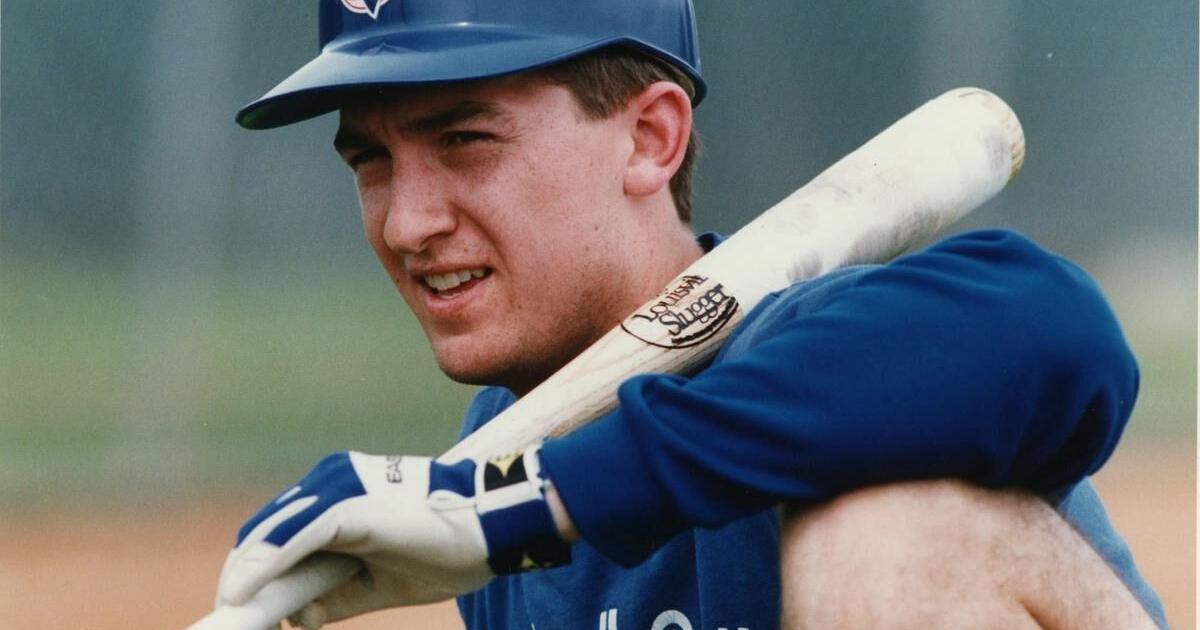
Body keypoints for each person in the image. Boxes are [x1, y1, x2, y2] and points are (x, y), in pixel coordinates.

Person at [216, 1, 1167, 628]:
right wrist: (512, 503)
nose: (408, 220)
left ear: (650, 138)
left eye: (464, 139)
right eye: (370, 162)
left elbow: (1056, 328)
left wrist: (542, 504)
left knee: (885, 519)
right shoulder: (494, 456)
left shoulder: (794, 347)